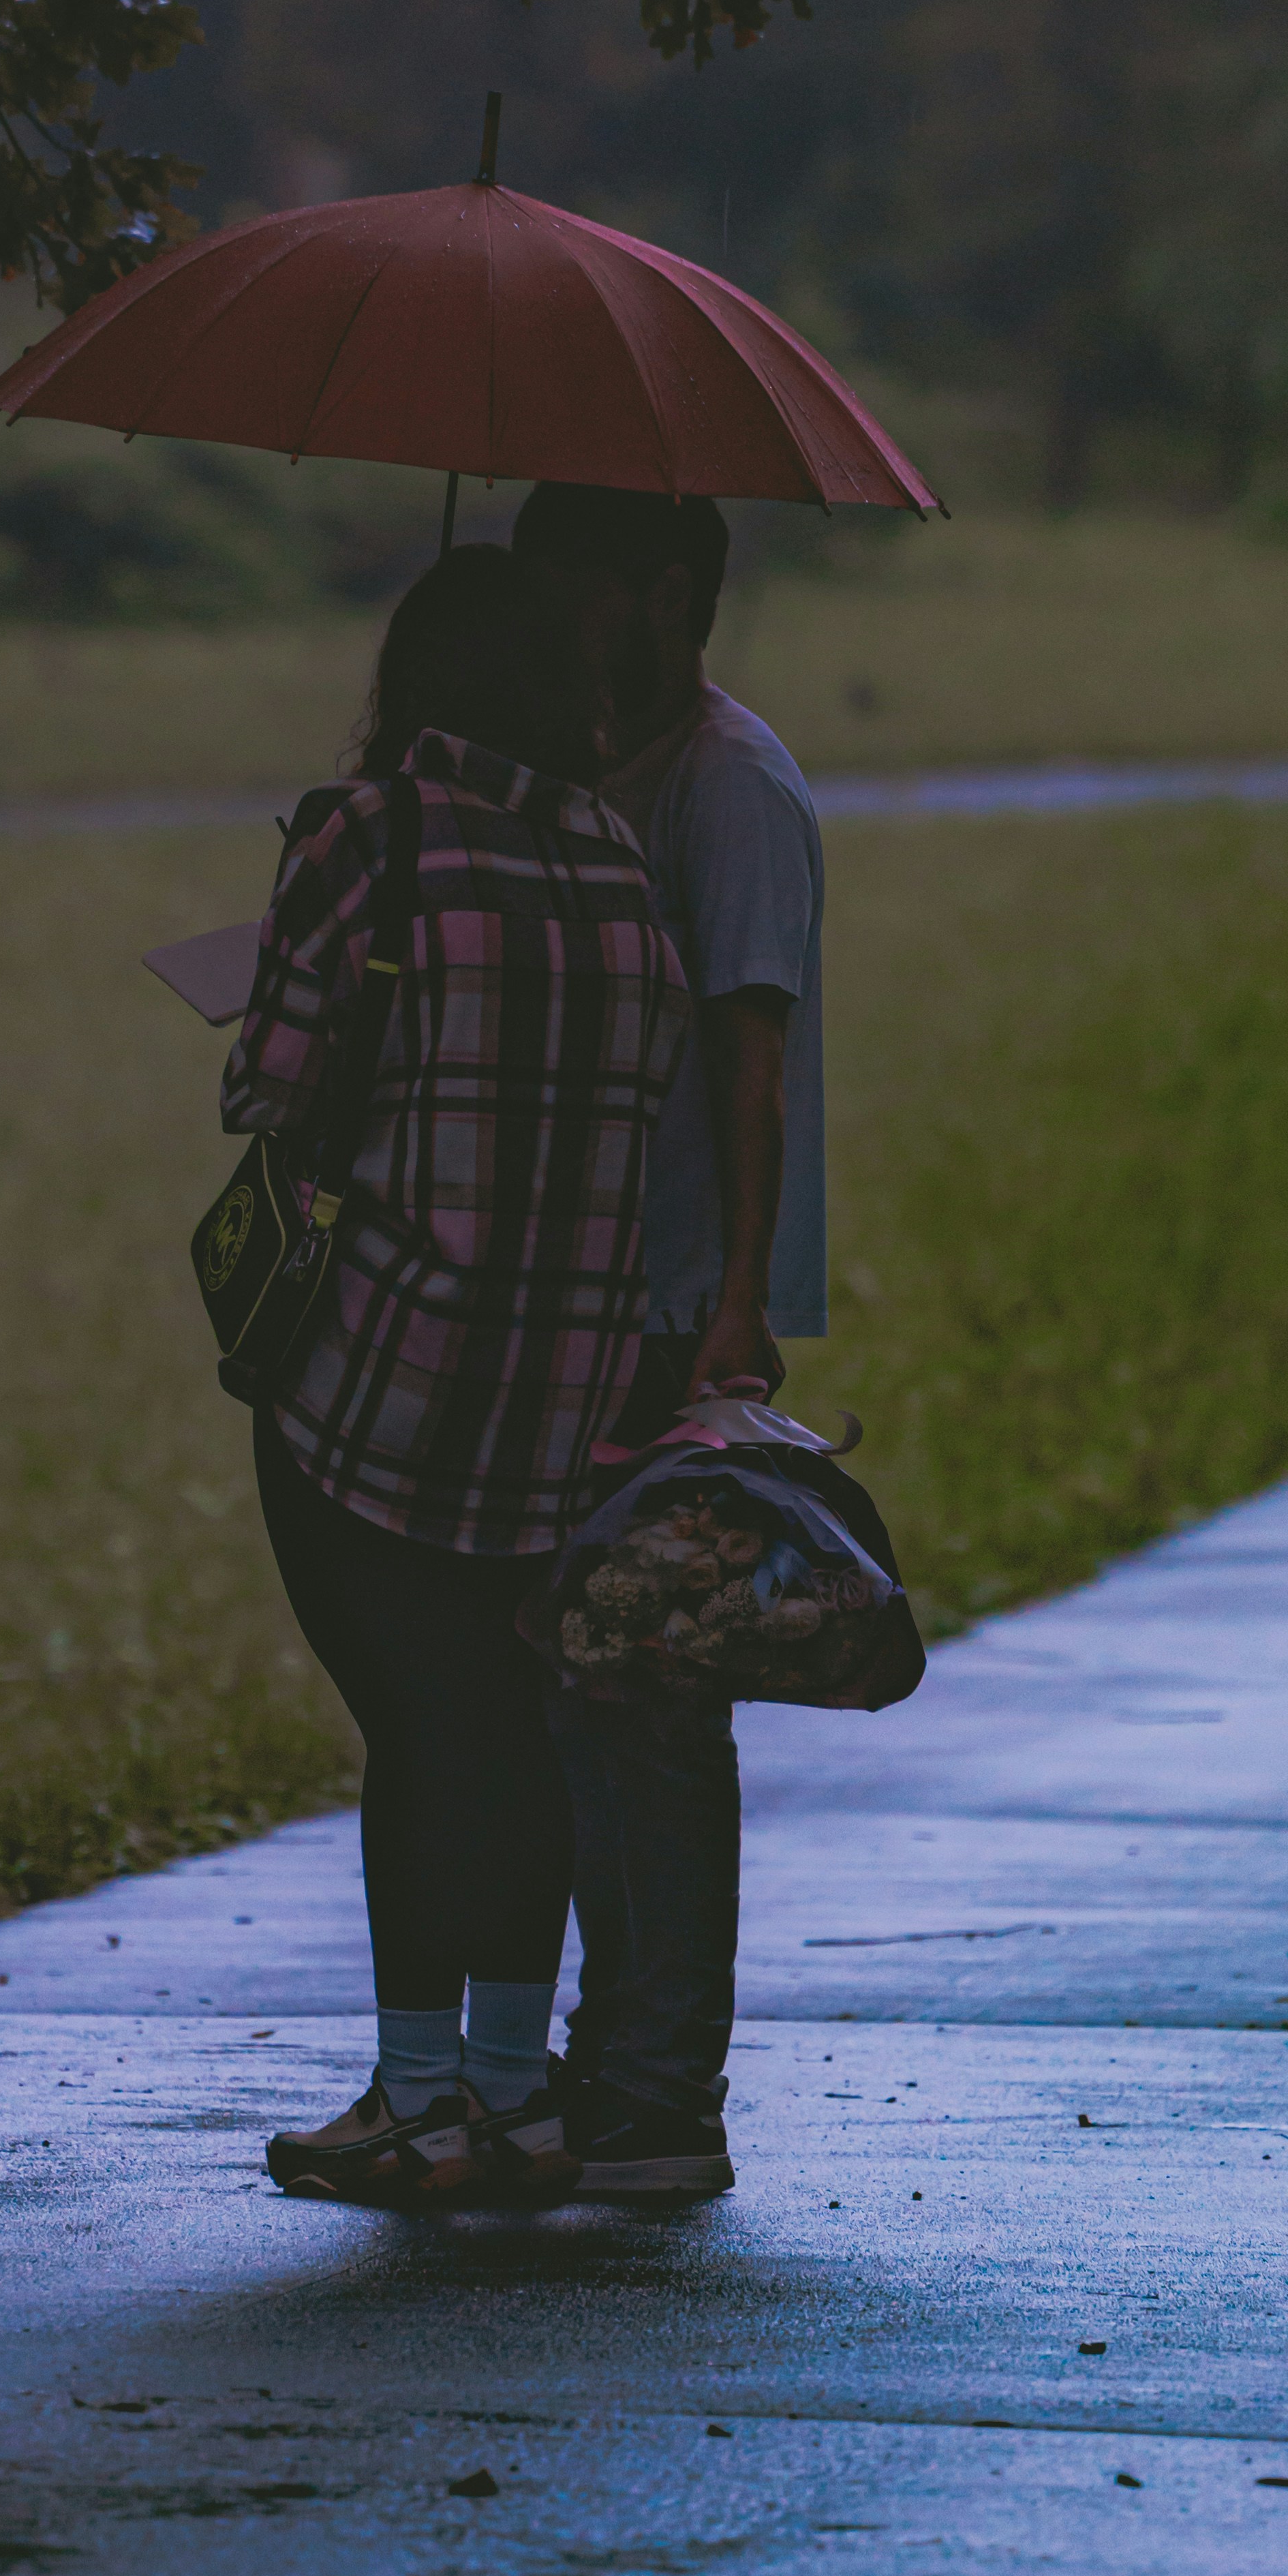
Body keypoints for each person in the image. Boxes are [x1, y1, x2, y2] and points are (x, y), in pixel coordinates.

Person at [225, 541, 688, 2213]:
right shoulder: (623, 868)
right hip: (562, 1396)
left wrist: (312, 925)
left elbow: (272, 1094)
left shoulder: (368, 835)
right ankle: (514, 2095)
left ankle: (413, 2107)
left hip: (387, 1376)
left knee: (418, 1731)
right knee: (506, 1723)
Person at [502, 483, 830, 2206]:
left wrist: (730, 1307)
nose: (552, 610)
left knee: (646, 1694)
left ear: (672, 588)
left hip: (667, 1301)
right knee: (591, 1686)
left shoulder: (728, 785)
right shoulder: (605, 763)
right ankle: (617, 2064)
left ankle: (654, 2089)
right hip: (591, 1288)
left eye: (580, 580)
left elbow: (749, 1055)